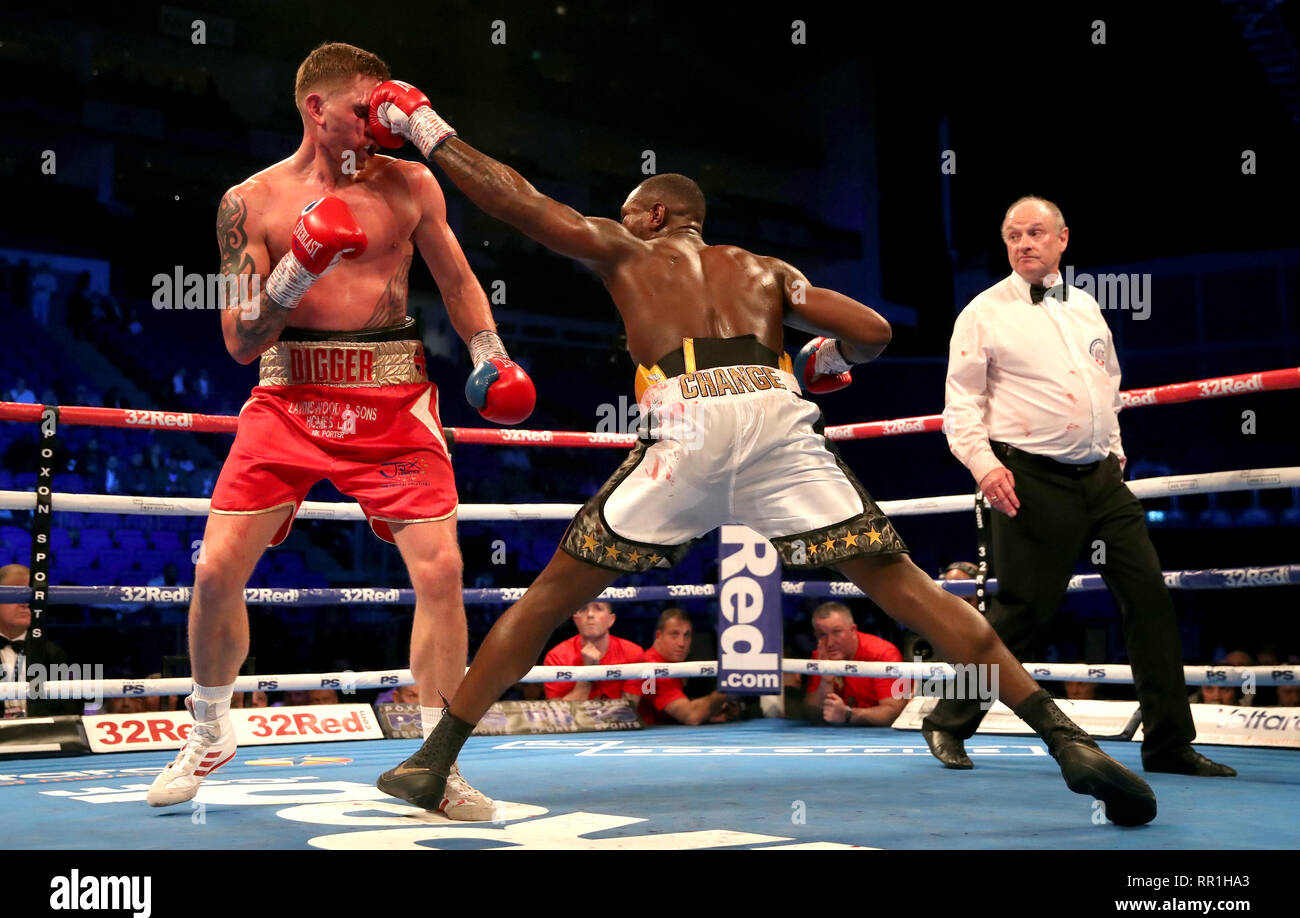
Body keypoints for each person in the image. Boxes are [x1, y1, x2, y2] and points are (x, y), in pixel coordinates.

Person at [370, 83, 1159, 827]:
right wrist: (821, 363)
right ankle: (1067, 740)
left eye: (627, 210)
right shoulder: (767, 269)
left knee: (546, 599)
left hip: (687, 422)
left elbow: (520, 202)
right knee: (911, 590)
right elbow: (876, 332)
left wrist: (426, 129)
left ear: (652, 214)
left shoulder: (629, 249)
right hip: (778, 413)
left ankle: (433, 763)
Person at [146, 43, 535, 823]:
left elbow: (459, 281)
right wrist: (302, 264)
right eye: (366, 107)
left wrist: (490, 355)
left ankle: (437, 758)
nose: (381, 119)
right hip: (289, 396)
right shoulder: (247, 203)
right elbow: (239, 340)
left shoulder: (411, 181)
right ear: (315, 110)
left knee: (441, 568)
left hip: (392, 396)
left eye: (387, 104)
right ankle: (210, 729)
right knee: (218, 566)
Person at [922, 195, 1233, 778]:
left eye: (1035, 232)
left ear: (1063, 239)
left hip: (1101, 480)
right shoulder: (982, 313)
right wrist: (985, 466)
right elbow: (959, 408)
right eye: (1013, 235)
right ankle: (948, 718)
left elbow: (1107, 383)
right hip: (1027, 477)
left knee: (1149, 599)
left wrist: (1113, 446)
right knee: (1021, 614)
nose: (1023, 244)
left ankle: (1168, 743)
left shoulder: (1088, 306)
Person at [803, 602, 907, 726]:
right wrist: (825, 682)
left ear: (853, 630)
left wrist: (848, 714)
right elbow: (811, 714)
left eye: (836, 632)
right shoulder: (821, 655)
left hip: (881, 737)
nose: (830, 643)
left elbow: (895, 712)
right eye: (822, 635)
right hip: (838, 736)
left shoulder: (883, 654)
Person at [0, 564, 82, 719]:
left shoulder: (52, 653)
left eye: (29, 595)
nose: (25, 603)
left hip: (40, 736)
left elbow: (69, 707)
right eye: (16, 594)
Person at [630, 608, 737, 725]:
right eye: (674, 635)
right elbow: (692, 716)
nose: (682, 643)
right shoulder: (652, 669)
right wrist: (728, 686)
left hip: (671, 732)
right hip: (651, 739)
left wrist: (713, 712)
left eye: (687, 635)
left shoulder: (684, 663)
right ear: (658, 636)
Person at [542, 601, 644, 700]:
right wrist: (587, 675)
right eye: (583, 609)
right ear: (575, 619)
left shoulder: (632, 653)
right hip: (575, 718)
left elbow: (631, 708)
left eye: (598, 608)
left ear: (611, 619)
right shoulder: (556, 657)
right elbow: (559, 713)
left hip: (617, 717)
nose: (590, 614)